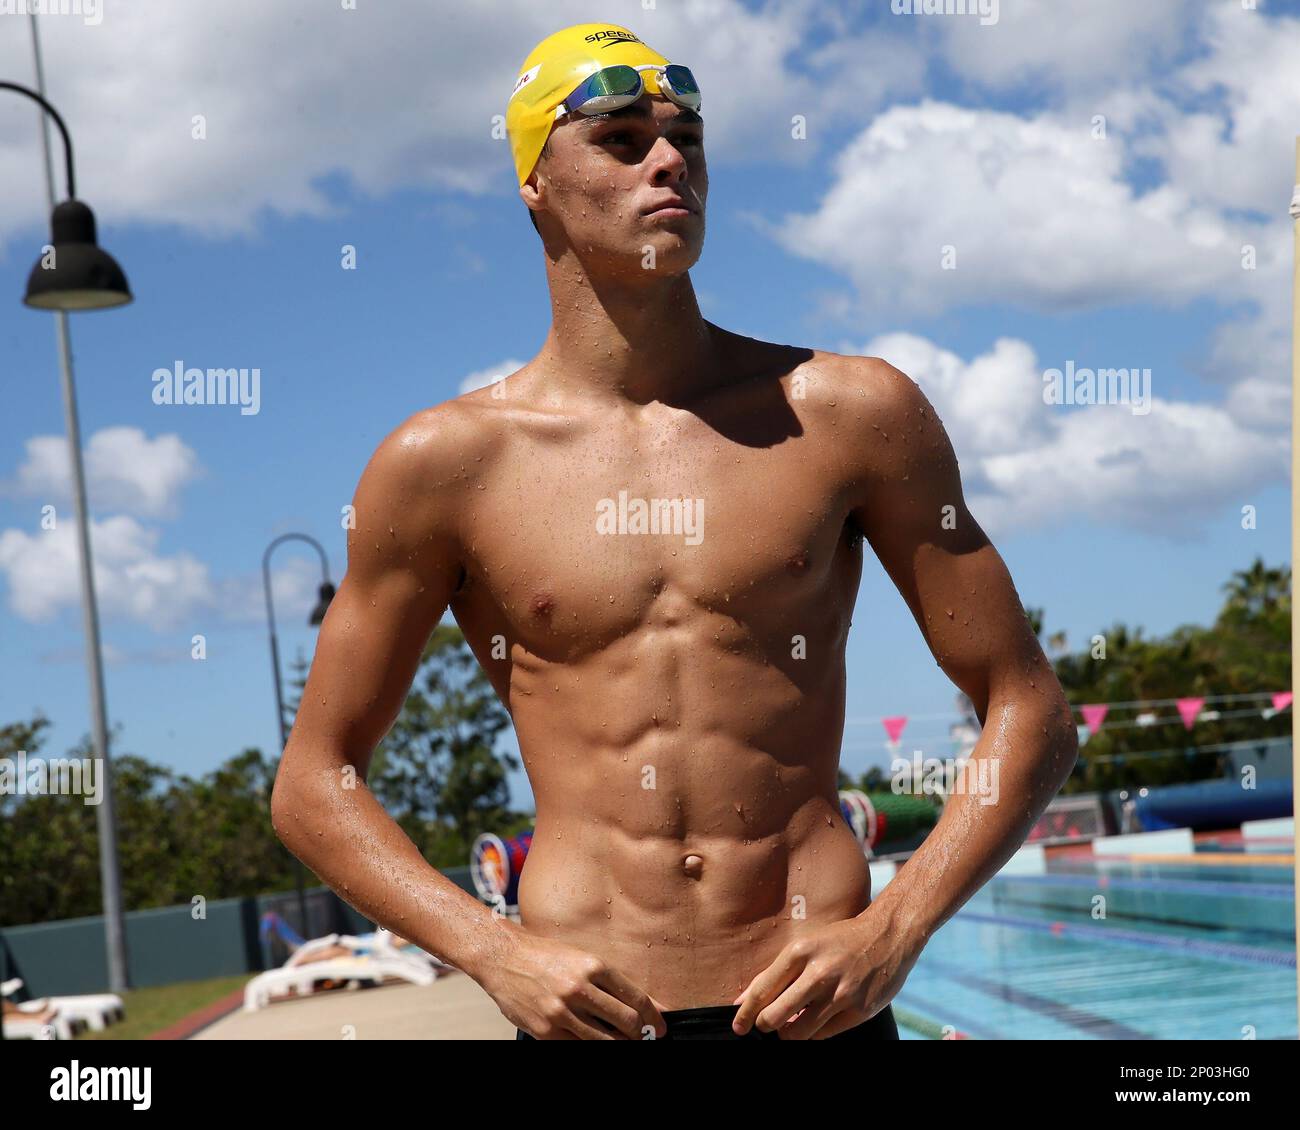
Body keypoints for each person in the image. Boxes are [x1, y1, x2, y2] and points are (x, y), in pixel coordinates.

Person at [271, 21, 1077, 1041]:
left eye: (685, 136)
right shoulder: (447, 465)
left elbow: (1027, 704)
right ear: (534, 183)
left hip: (815, 1002)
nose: (669, 160)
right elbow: (312, 781)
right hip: (594, 1011)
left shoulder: (847, 412)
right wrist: (490, 949)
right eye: (619, 138)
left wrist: (895, 928)